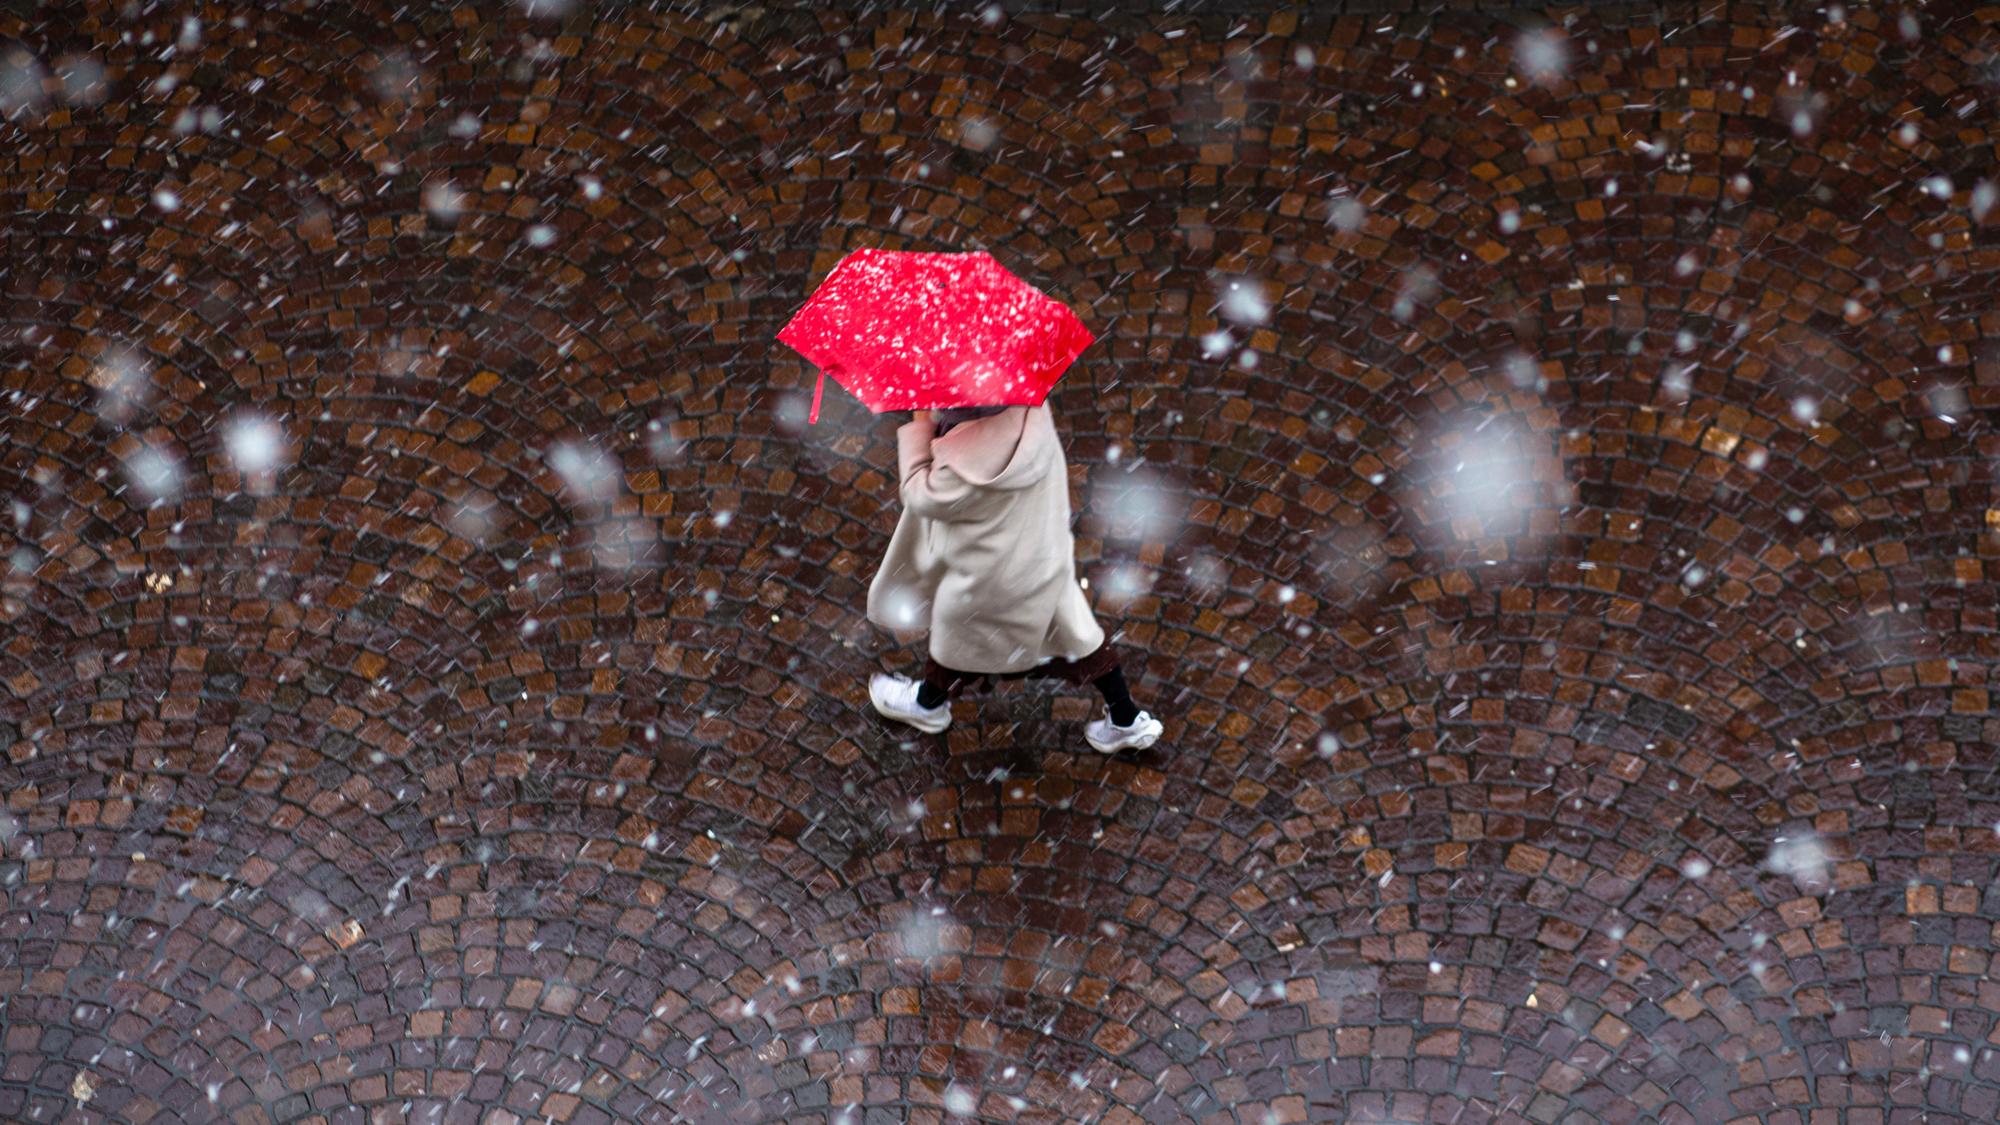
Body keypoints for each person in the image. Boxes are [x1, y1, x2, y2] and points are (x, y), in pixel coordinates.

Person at [865, 403, 1162, 752]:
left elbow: (920, 495)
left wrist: (919, 426)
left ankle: (928, 704)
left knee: (957, 637)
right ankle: (1125, 717)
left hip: (989, 573)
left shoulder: (961, 465)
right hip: (1038, 554)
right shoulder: (1031, 413)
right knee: (1078, 637)